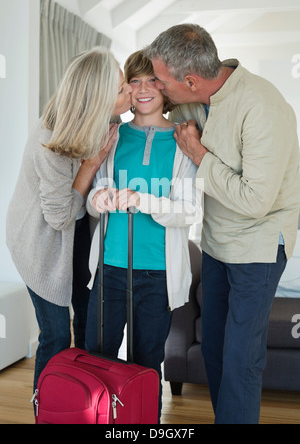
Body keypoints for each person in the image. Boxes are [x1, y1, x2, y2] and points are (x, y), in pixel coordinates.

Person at [145, 24, 300, 424]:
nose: (159, 90)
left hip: (258, 247)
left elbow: (255, 201)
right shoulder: (199, 98)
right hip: (216, 244)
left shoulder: (263, 107)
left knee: (240, 360)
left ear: (191, 80)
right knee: (213, 350)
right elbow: (153, 114)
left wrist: (199, 154)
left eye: (161, 81)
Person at [84, 50, 203, 421]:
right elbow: (90, 199)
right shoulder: (112, 136)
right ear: (126, 89)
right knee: (96, 361)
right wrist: (97, 197)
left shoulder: (184, 141)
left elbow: (190, 210)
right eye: (134, 81)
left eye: (153, 80)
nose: (144, 88)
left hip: (157, 275)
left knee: (147, 365)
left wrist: (144, 200)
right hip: (109, 268)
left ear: (166, 88)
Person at [6, 47, 132, 394]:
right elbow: (60, 217)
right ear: (98, 98)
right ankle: (46, 409)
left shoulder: (108, 123)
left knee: (88, 324)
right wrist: (91, 165)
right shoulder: (50, 140)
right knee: (57, 334)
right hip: (38, 241)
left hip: (75, 236)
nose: (129, 93)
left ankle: (81, 405)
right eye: (121, 89)